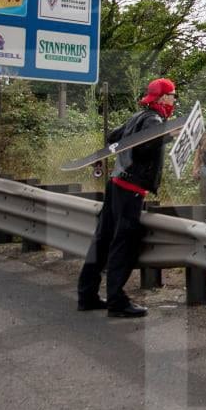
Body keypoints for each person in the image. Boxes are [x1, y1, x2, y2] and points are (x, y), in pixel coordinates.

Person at [77, 77, 176, 319]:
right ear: (163, 98)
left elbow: (113, 137)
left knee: (103, 238)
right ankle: (116, 300)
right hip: (130, 187)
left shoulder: (137, 116)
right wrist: (169, 134)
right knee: (124, 242)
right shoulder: (153, 119)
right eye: (173, 95)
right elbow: (143, 149)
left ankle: (87, 294)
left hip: (116, 183)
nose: (174, 99)